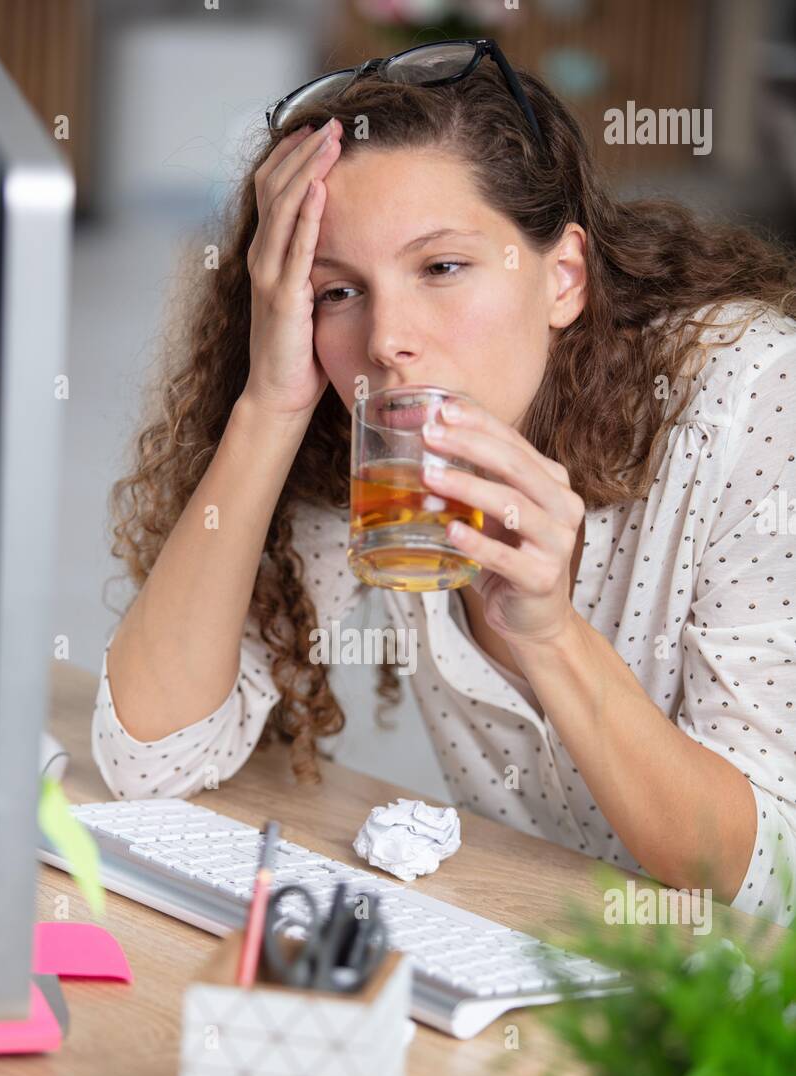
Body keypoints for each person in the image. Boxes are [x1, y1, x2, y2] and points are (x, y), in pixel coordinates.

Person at [91, 51, 796, 927]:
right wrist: (270, 401)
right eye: (340, 290)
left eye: (442, 268)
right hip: (550, 969)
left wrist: (549, 634)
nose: (389, 340)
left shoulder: (749, 398)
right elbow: (151, 758)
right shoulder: (364, 439)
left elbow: (770, 877)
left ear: (563, 277)